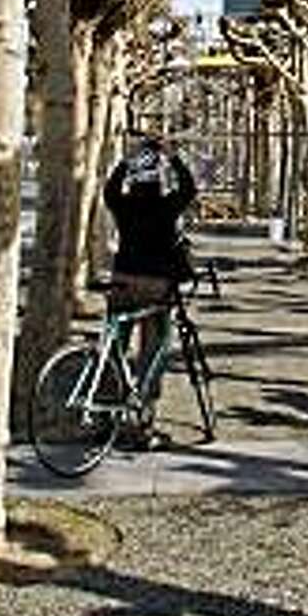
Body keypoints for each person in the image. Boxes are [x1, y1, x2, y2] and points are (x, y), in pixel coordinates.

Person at [102, 134, 197, 444]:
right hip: (156, 285)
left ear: (135, 179)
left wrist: (127, 160)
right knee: (152, 353)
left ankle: (109, 414)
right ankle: (144, 422)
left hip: (122, 282)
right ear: (158, 180)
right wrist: (173, 157)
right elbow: (189, 189)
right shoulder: (167, 205)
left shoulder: (123, 204)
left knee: (114, 348)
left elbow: (109, 190)